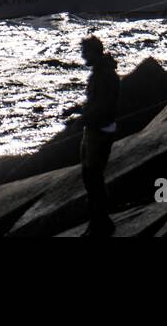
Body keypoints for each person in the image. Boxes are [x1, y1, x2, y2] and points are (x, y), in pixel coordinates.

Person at [63, 35, 120, 236]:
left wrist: (81, 120)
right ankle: (99, 222)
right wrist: (75, 111)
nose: (83, 56)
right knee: (90, 178)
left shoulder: (106, 76)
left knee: (93, 178)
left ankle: (101, 223)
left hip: (101, 132)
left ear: (95, 53)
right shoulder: (99, 73)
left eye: (85, 52)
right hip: (94, 130)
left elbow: (102, 108)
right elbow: (93, 105)